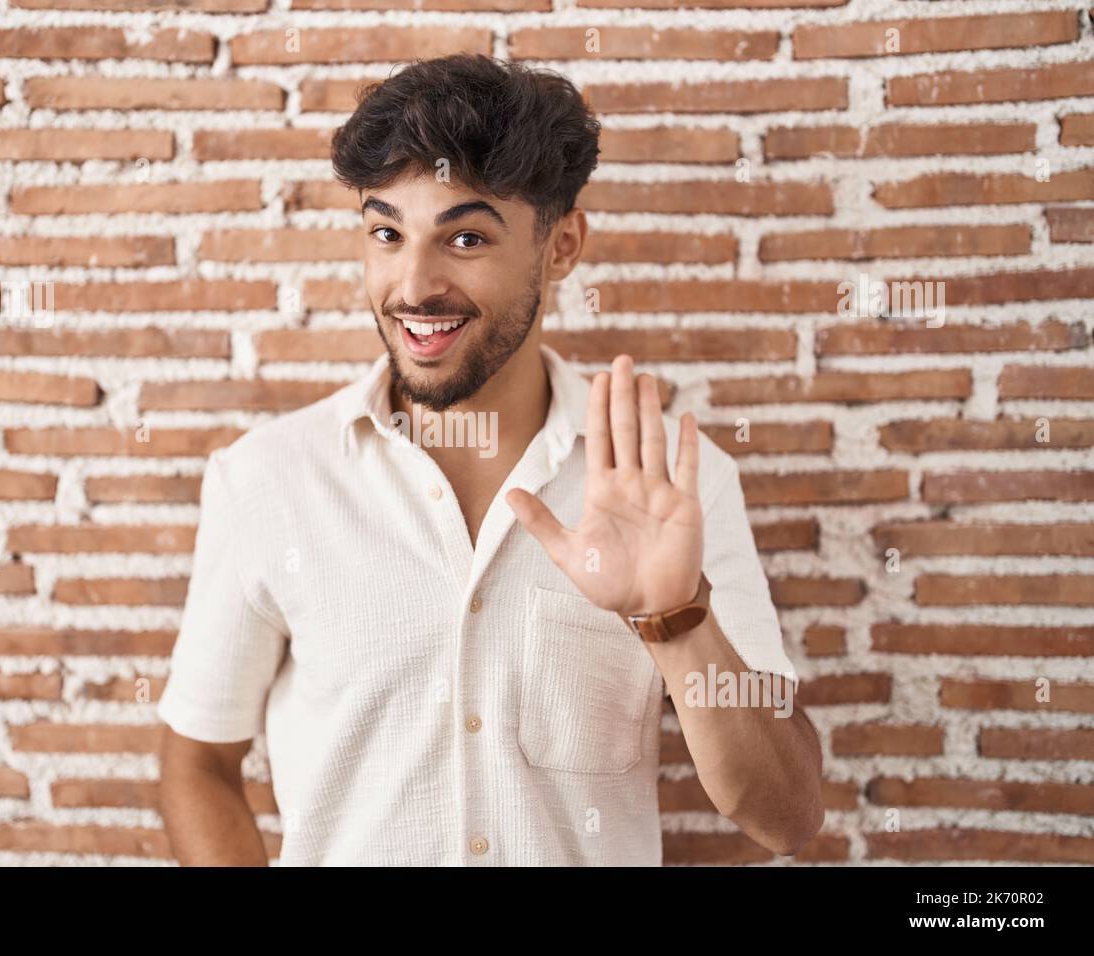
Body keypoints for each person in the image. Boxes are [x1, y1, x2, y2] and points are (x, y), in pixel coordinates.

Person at [157, 53, 823, 866]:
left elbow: (788, 817)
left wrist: (678, 617)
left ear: (561, 246)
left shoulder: (678, 484)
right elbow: (199, 763)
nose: (413, 284)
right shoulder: (265, 480)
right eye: (386, 233)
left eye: (465, 237)